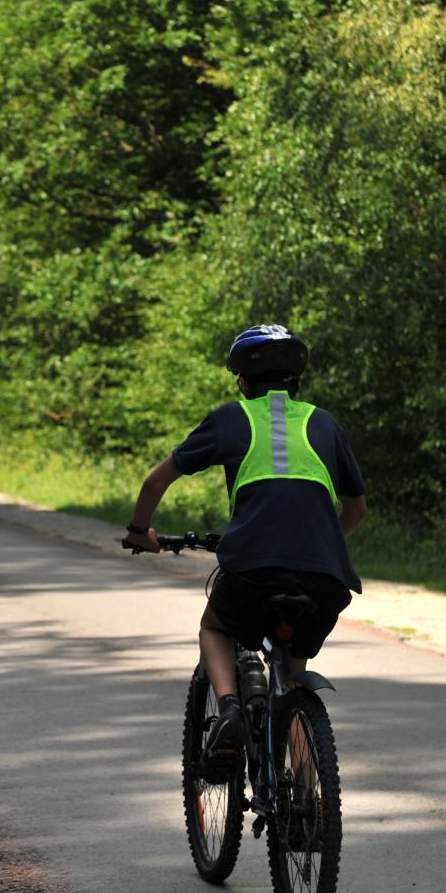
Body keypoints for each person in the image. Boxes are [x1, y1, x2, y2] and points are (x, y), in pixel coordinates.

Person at [125, 324, 367, 780]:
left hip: (253, 569)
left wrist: (140, 531)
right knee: (291, 677)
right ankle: (307, 797)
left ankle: (230, 709)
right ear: (295, 381)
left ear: (243, 381)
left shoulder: (231, 419)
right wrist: (322, 547)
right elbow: (356, 509)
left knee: (214, 626)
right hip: (325, 576)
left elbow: (156, 481)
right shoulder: (324, 423)